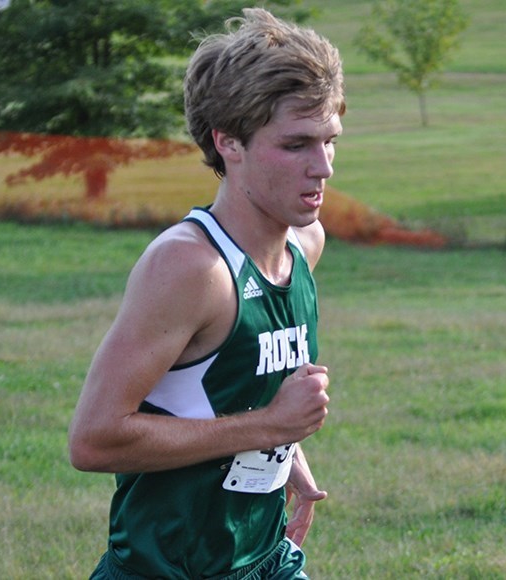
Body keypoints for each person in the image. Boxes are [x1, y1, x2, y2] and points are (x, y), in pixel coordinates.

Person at [68, 7, 345, 578]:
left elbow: (224, 391)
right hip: (165, 568)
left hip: (266, 559)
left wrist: (285, 454)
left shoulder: (305, 245)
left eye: (329, 140)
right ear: (228, 143)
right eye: (296, 145)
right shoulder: (190, 267)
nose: (323, 167)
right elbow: (94, 440)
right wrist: (272, 428)